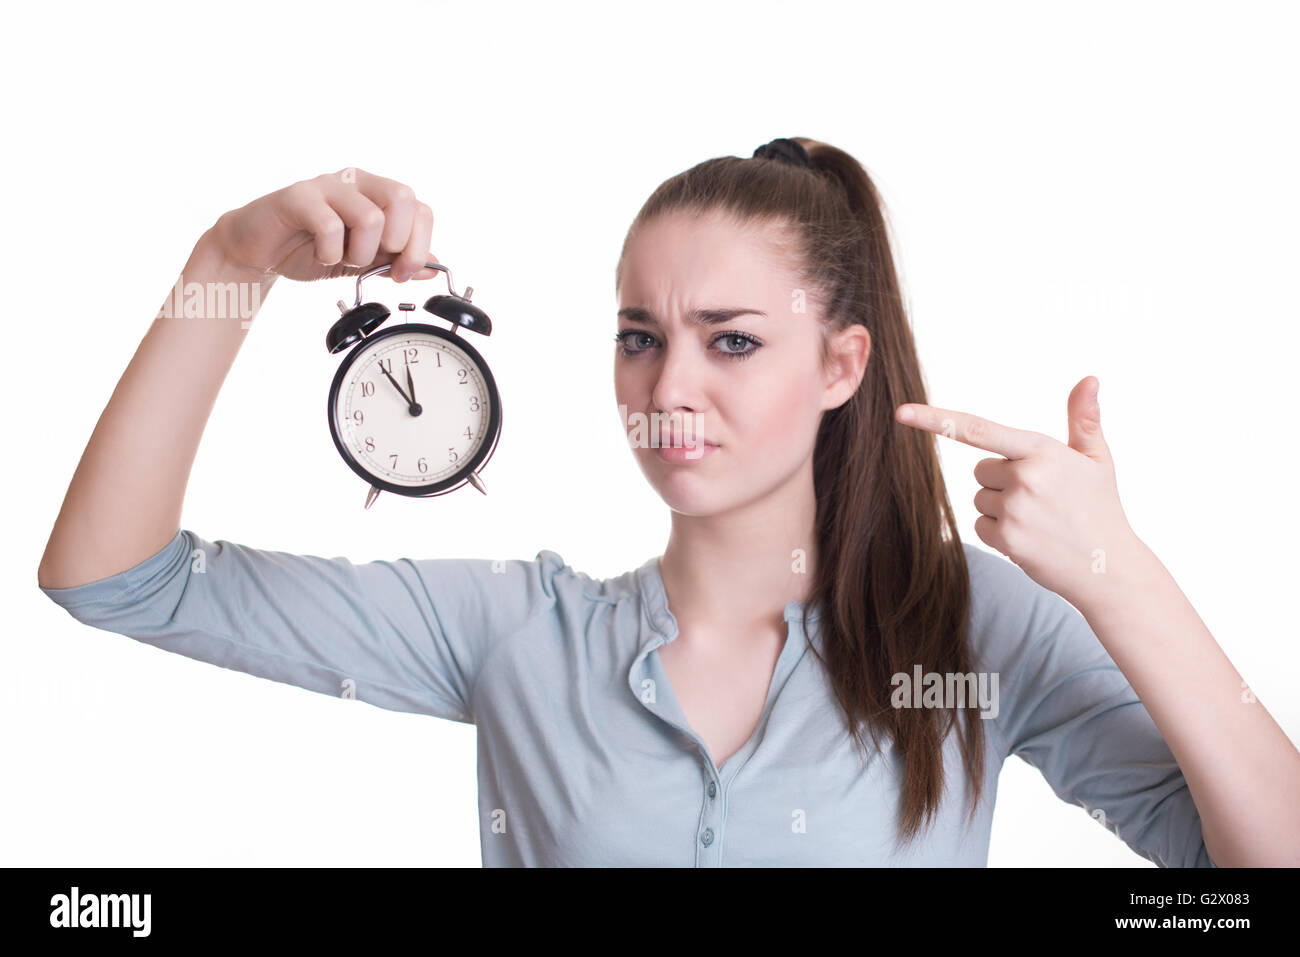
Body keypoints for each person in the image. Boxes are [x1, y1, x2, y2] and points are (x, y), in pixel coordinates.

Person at [37, 139, 1299, 867]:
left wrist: (1121, 575)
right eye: (640, 337)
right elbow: (116, 579)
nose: (669, 389)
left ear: (841, 366)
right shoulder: (514, 636)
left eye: (732, 341)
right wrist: (229, 267)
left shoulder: (969, 637)